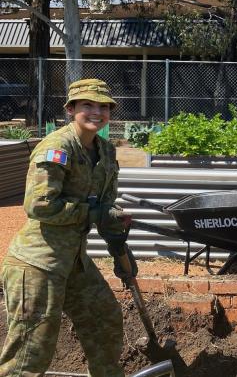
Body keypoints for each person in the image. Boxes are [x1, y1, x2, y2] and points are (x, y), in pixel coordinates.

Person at [0, 78, 138, 376]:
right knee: (30, 351)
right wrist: (94, 213)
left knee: (104, 320)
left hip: (75, 260)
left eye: (104, 107)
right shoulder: (57, 147)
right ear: (71, 109)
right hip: (39, 263)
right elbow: (39, 205)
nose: (97, 112)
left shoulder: (106, 151)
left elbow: (107, 206)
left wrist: (118, 246)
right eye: (88, 105)